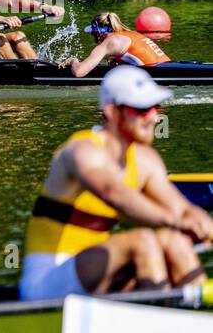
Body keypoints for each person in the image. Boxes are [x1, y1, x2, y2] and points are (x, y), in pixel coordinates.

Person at [19, 65, 212, 300]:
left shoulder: (145, 160)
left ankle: (198, 318)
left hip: (98, 273)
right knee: (143, 240)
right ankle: (160, 322)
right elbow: (114, 193)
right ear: (111, 111)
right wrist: (175, 222)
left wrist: (199, 224)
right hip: (47, 281)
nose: (154, 117)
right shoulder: (81, 151)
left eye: (155, 107)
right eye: (142, 109)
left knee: (174, 241)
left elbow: (184, 210)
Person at [63, 12, 172, 77]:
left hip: (158, 73)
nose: (93, 35)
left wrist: (73, 61)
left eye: (93, 33)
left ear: (99, 32)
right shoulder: (132, 33)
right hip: (169, 66)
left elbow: (79, 72)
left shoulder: (110, 42)